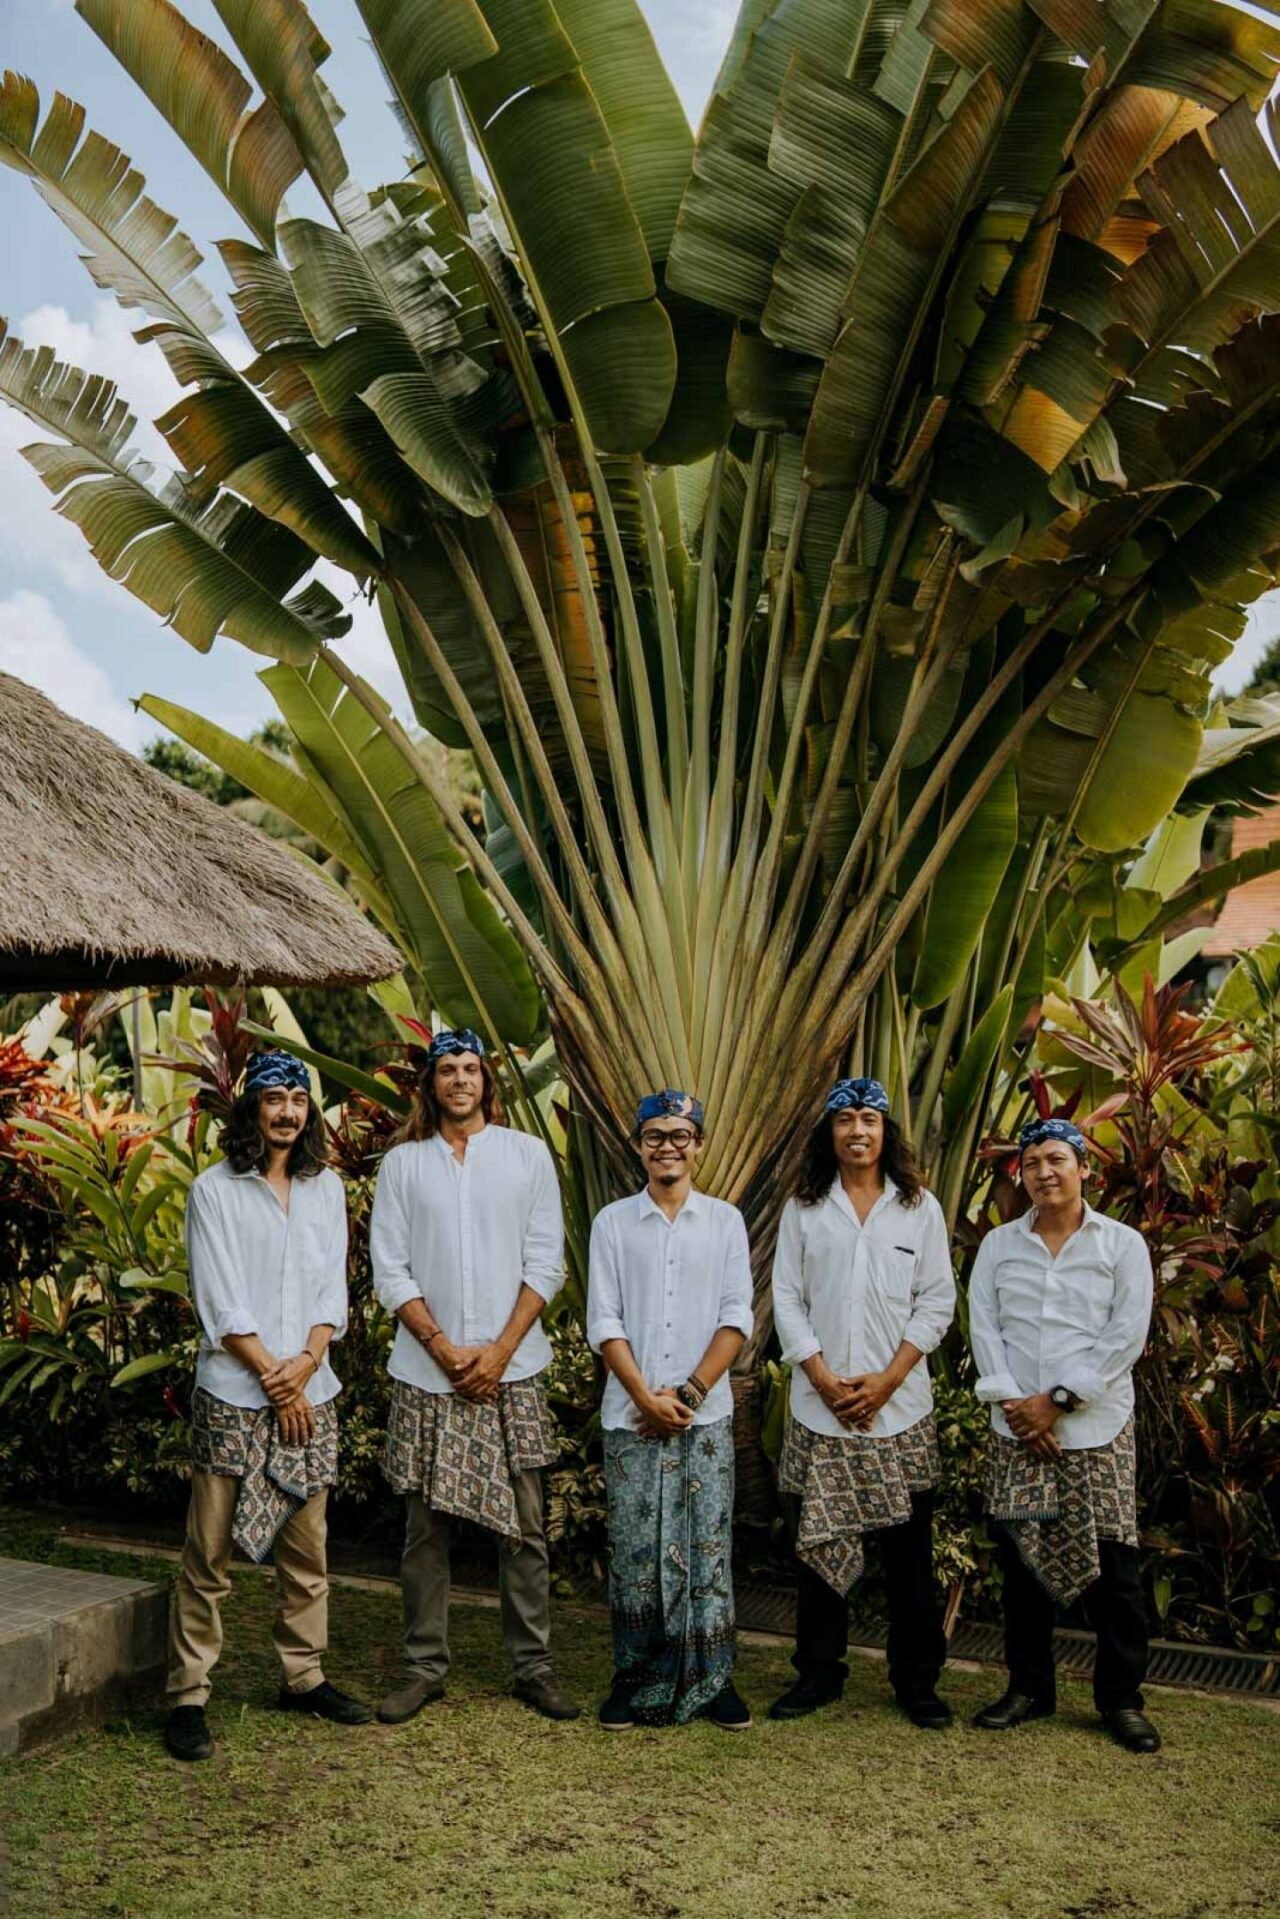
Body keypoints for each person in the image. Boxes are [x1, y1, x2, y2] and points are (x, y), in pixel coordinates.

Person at [164, 1051, 371, 1763]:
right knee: (209, 1552)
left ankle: (303, 1675)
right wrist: (273, 1378)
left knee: (307, 1547)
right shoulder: (213, 1190)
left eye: (298, 1099)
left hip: (310, 1391)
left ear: (310, 1111)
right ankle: (189, 1693)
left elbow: (330, 1297)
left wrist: (306, 1366)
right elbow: (221, 1299)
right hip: (233, 1392)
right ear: (250, 1107)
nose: (288, 1112)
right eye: (274, 1098)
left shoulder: (327, 1190)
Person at [370, 1029, 578, 1723]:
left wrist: (497, 1352)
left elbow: (547, 1261)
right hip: (428, 1374)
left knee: (524, 1527)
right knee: (424, 1529)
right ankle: (423, 1666)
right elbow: (390, 1268)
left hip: (511, 1372)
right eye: (446, 1069)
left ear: (487, 1080)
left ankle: (533, 1666)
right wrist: (443, 1348)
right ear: (430, 1084)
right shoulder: (404, 1165)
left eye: (470, 1068)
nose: (459, 1079)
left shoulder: (526, 1157)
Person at [968, 1116, 1159, 1752]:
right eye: (1032, 1163)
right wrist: (1018, 1410)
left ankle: (1120, 1701)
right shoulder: (999, 1246)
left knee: (1115, 1572)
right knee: (1023, 1565)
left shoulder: (1121, 1245)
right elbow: (985, 1330)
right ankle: (1029, 1689)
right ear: (1020, 1176)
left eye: (1057, 1159)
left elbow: (1124, 1337)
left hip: (1095, 1428)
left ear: (1084, 1169)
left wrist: (1057, 1402)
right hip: (1017, 1428)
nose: (1044, 1172)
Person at [769, 1077, 956, 1727]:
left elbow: (937, 1300)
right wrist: (820, 1375)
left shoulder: (917, 1206)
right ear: (830, 1131)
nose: (857, 1130)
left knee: (909, 1558)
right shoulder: (805, 1205)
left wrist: (887, 1379)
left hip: (897, 1409)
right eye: (845, 1118)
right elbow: (786, 1296)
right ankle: (819, 1673)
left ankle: (917, 1682)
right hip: (821, 1407)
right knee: (818, 1547)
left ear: (885, 1132)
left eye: (869, 1119)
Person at [586, 1089, 755, 1731]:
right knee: (635, 1549)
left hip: (702, 1417)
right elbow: (604, 1319)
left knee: (706, 1546)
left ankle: (713, 1680)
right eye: (655, 1135)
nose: (668, 1147)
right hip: (630, 1413)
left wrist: (687, 1395)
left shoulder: (724, 1222)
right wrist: (643, 1397)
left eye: (680, 1135)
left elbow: (736, 1315)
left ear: (698, 1145)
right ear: (638, 1145)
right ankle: (634, 1679)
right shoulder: (613, 1223)